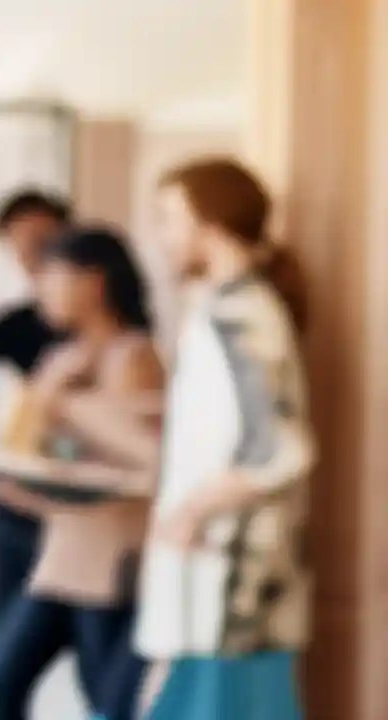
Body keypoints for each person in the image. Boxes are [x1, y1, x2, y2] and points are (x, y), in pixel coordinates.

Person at [136, 158, 313, 719]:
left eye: (170, 219)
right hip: (216, 580)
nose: (162, 237)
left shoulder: (244, 316)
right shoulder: (219, 309)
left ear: (209, 226)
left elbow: (283, 449)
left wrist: (191, 511)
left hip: (237, 588)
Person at [0, 227, 164, 720]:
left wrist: (67, 403)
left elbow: (143, 458)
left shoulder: (134, 356)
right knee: (3, 681)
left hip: (111, 558)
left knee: (105, 699)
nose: (42, 288)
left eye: (54, 275)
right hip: (62, 552)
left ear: (94, 281)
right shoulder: (61, 357)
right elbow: (27, 448)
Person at [0, 189, 72, 633]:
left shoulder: (103, 339)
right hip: (14, 514)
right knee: (4, 668)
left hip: (76, 520)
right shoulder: (2, 331)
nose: (31, 254)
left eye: (41, 239)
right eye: (18, 243)